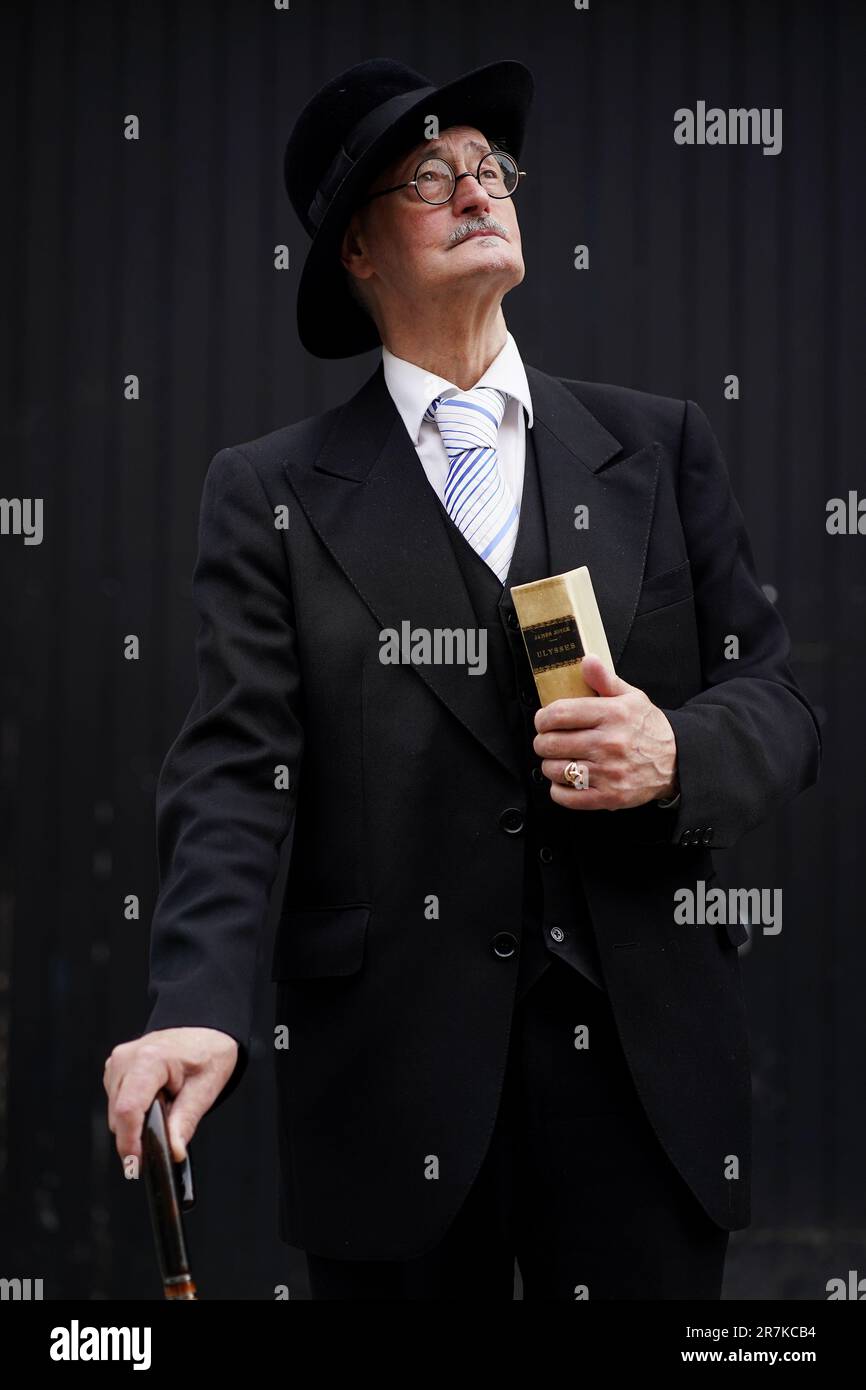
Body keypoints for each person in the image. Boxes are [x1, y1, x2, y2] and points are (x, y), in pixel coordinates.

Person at [104, 58, 821, 1300]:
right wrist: (194, 1002)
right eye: (429, 174)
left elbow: (778, 699)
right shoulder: (268, 491)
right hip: (389, 1089)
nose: (475, 189)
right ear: (357, 251)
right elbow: (233, 766)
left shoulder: (657, 445)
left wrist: (676, 754)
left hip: (641, 1080)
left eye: (488, 168)